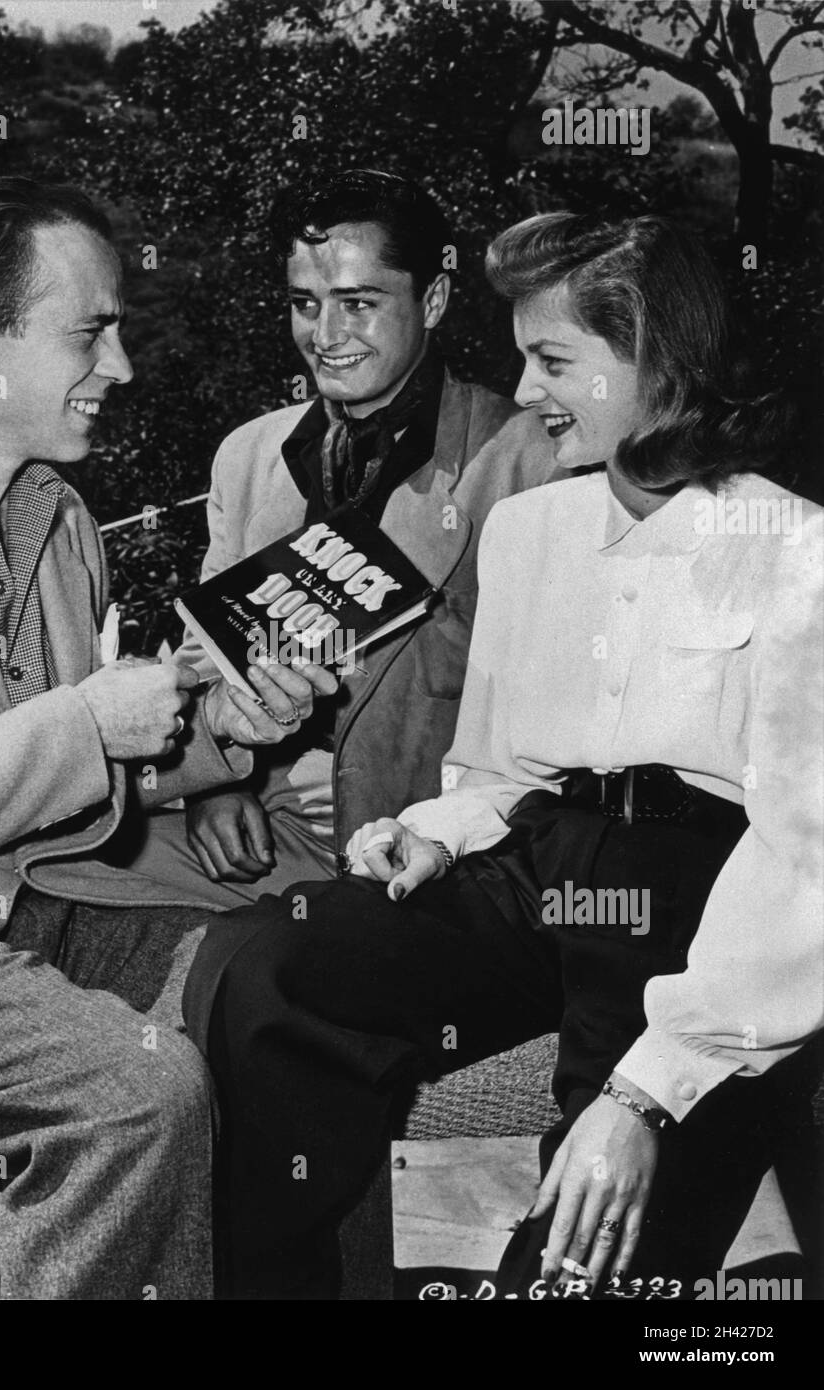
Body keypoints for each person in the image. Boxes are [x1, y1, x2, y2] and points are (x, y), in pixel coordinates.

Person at [182, 211, 824, 1300]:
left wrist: (647, 1093)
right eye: (523, 359)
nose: (525, 392)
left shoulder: (794, 548)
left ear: (656, 358)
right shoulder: (527, 531)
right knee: (266, 968)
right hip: (535, 864)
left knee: (582, 1253)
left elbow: (803, 856)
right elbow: (493, 770)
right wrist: (429, 837)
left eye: (554, 362)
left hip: (700, 888)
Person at [0, 176, 335, 1300]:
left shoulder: (59, 516)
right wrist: (85, 720)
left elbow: (79, 785)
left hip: (46, 906)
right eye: (89, 333)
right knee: (139, 1096)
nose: (120, 366)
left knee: (302, 1010)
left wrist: (219, 731)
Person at [108, 169, 557, 910]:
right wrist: (214, 786)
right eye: (304, 304)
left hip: (424, 847)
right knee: (57, 867)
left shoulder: (532, 463)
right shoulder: (247, 456)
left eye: (358, 304)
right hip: (265, 824)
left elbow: (547, 732)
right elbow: (201, 660)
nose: (324, 337)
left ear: (433, 301)